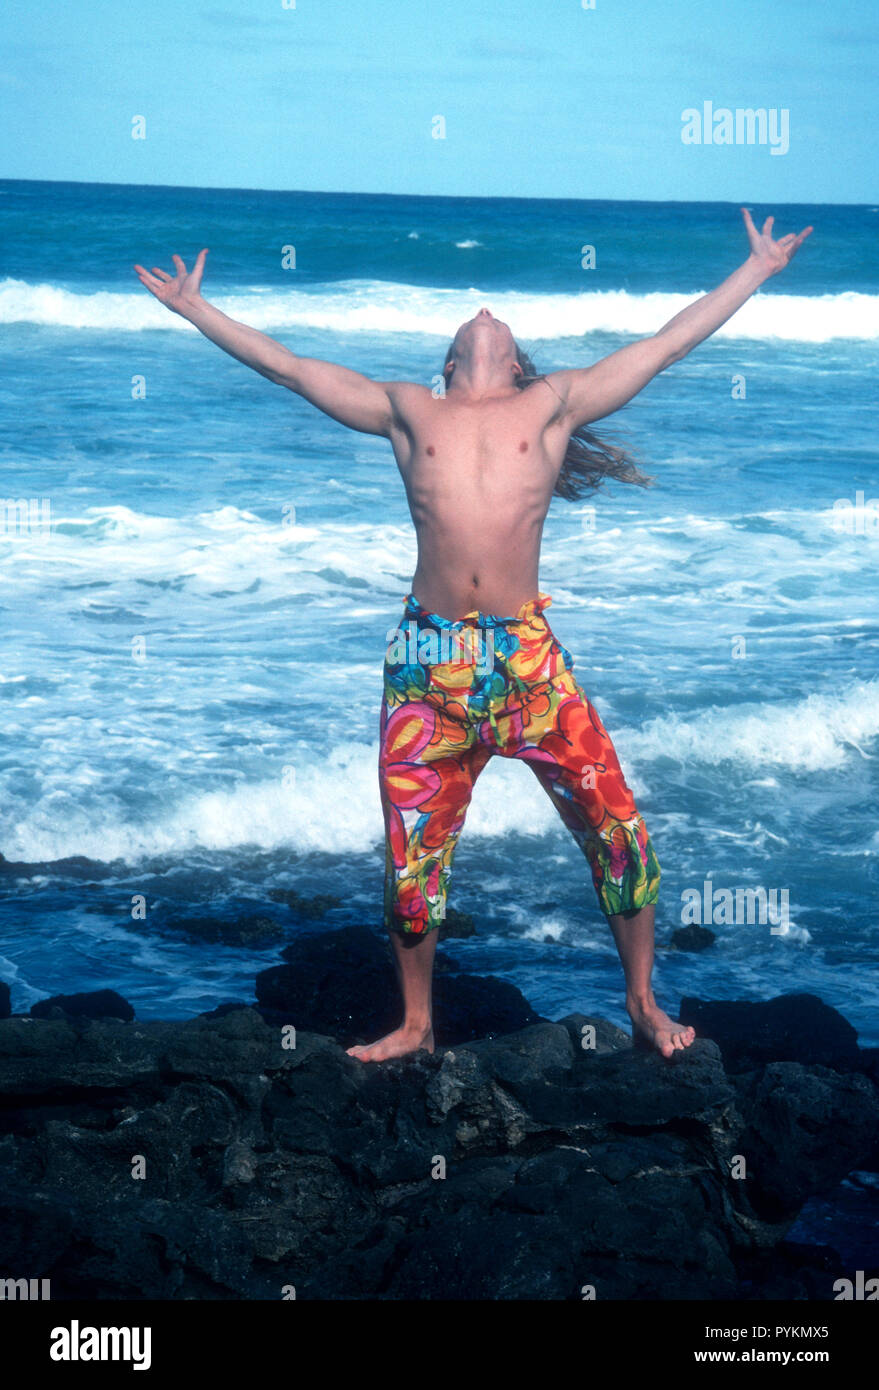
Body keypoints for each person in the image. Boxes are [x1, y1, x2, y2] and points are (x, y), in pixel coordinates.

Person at [134, 207, 812, 1062]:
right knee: (414, 863)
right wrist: (197, 310)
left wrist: (754, 271)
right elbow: (293, 371)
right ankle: (416, 1025)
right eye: (473, 319)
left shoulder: (552, 402)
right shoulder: (407, 409)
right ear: (452, 359)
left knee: (616, 831)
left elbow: (667, 344)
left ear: (514, 358)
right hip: (428, 661)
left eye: (502, 320)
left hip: (526, 658)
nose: (487, 309)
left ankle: (641, 1002)